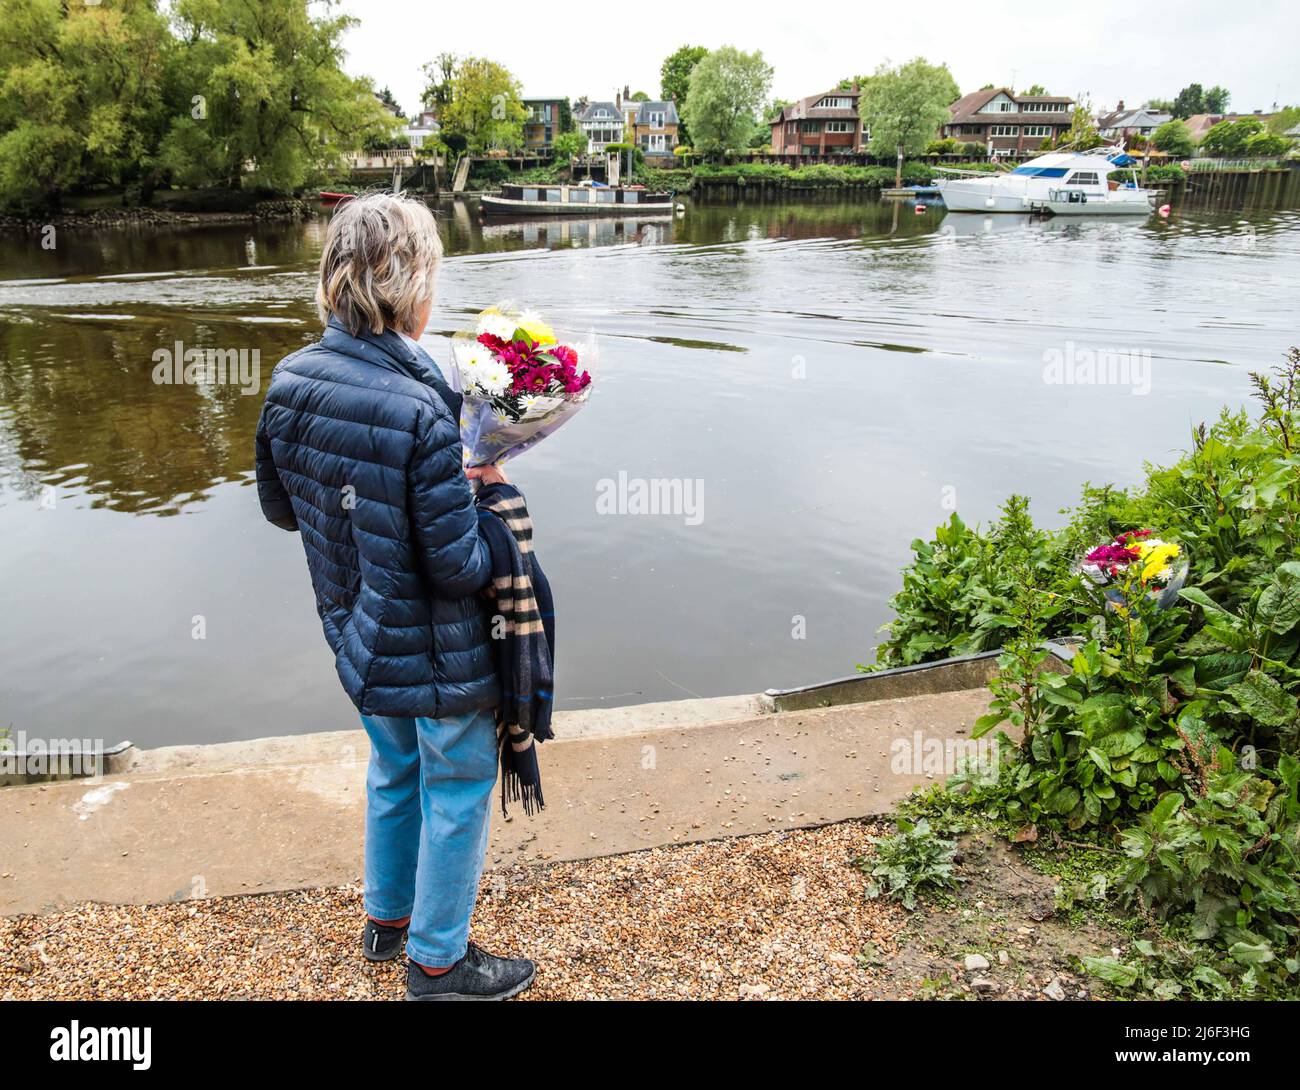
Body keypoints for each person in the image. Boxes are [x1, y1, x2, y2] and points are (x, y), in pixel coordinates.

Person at [254, 192, 535, 1001]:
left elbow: (280, 508)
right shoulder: (423, 404)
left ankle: (387, 921)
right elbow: (456, 566)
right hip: (440, 651)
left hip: (356, 628)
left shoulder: (290, 379)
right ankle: (439, 962)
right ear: (410, 285)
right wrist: (491, 491)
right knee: (455, 783)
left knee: (392, 766)